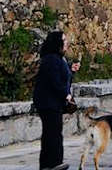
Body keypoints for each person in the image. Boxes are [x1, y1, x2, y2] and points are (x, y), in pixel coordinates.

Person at [32, 30, 81, 170]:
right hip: (48, 103)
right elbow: (54, 81)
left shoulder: (57, 58)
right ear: (57, 43)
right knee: (53, 134)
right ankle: (54, 163)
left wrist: (71, 70)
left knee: (51, 133)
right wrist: (66, 95)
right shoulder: (52, 59)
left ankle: (48, 164)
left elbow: (61, 77)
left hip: (51, 102)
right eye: (64, 40)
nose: (66, 43)